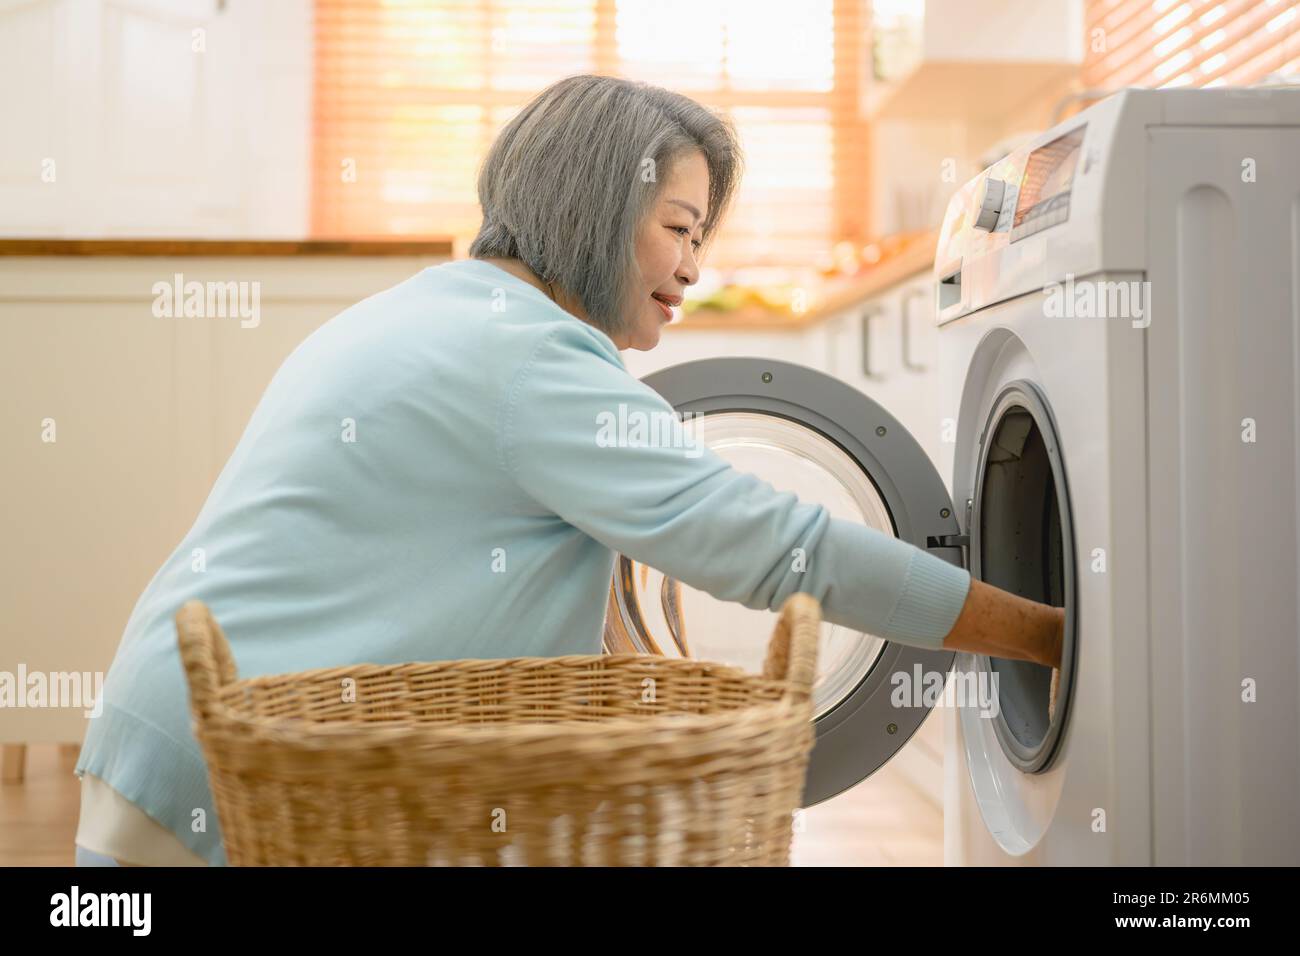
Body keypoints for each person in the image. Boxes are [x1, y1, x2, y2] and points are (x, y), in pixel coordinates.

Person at [74, 74, 1063, 867]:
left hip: (177, 732)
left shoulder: (443, 310)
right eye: (678, 228)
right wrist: (1050, 637)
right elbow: (774, 546)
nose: (693, 267)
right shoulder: (531, 357)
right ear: (595, 209)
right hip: (229, 773)